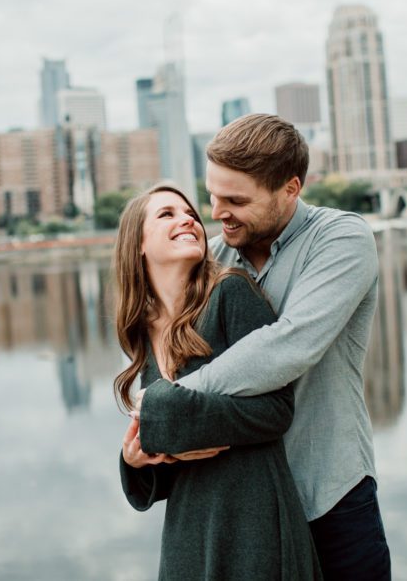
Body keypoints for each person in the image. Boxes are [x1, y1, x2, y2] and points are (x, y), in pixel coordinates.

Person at [136, 114, 391, 580]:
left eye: (236, 200)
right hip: (243, 517)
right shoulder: (208, 258)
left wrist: (172, 403)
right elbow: (162, 355)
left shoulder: (341, 238)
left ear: (290, 189)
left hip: (330, 499)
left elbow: (288, 344)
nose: (216, 212)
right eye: (212, 195)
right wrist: (142, 440)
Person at [115, 184, 322, 581]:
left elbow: (276, 411)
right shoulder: (143, 331)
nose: (188, 219)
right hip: (188, 530)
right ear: (137, 244)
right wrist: (136, 459)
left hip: (253, 520)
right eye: (167, 214)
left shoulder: (231, 291)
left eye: (189, 212)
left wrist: (168, 414)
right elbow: (163, 435)